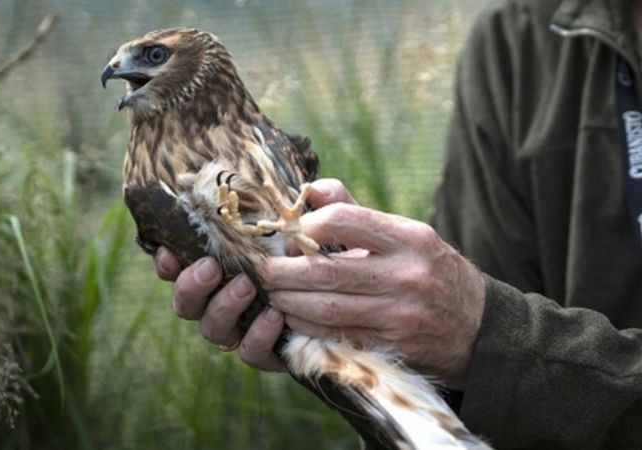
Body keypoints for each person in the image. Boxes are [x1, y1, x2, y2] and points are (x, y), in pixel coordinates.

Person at [154, 0, 642, 448]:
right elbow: (472, 368)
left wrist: (488, 337)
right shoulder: (518, 42)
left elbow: (484, 332)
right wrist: (350, 331)